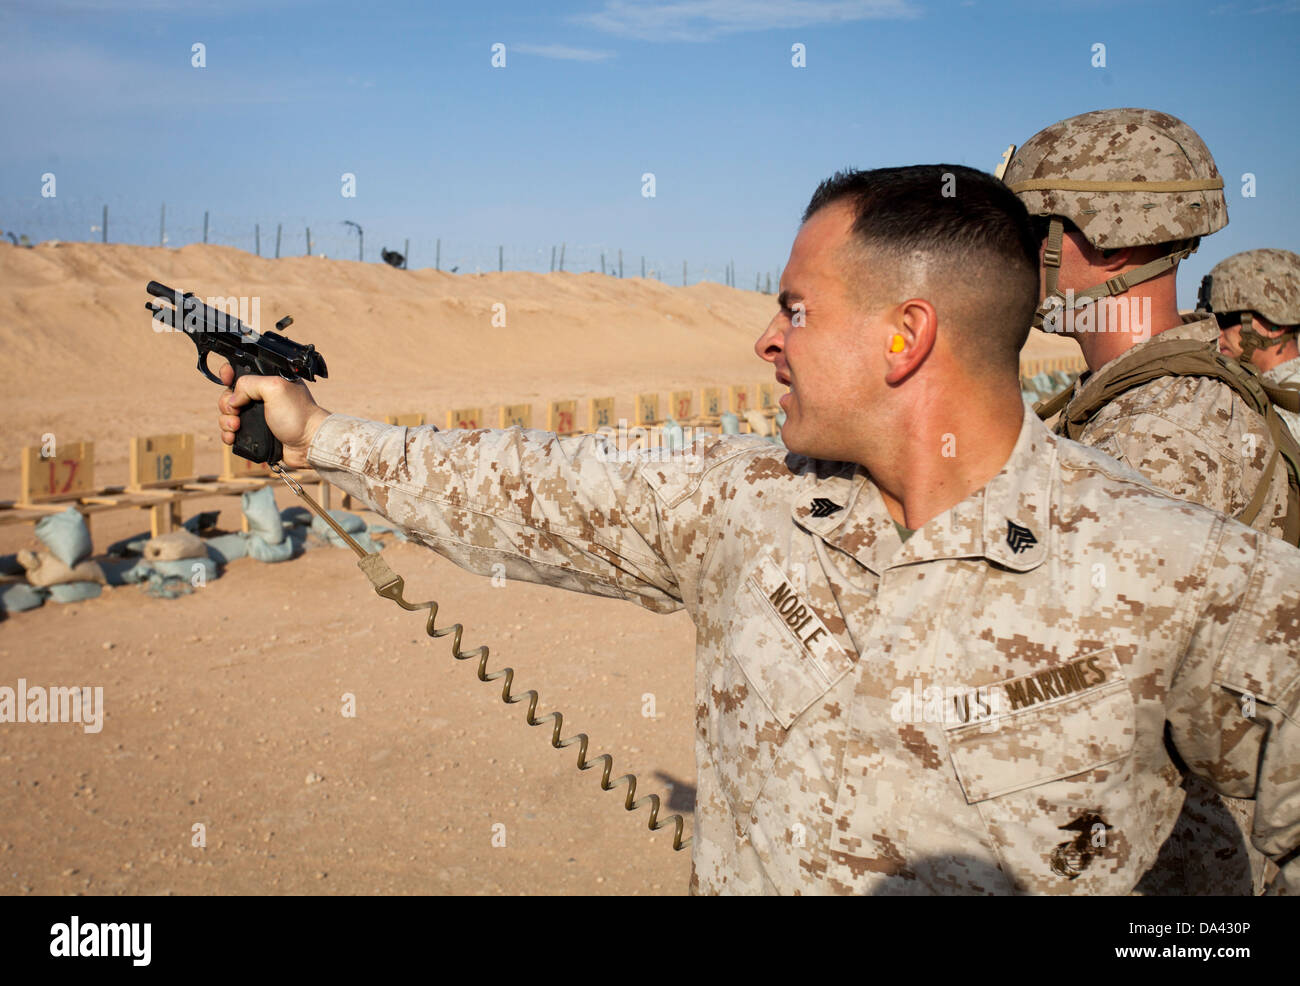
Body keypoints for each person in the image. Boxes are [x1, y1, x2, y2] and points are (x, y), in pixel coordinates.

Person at [217, 165, 1300, 895]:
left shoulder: (1180, 571)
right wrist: (320, 433)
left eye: (794, 308)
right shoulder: (745, 502)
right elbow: (529, 480)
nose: (763, 340)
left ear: (904, 335)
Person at [1002, 108, 1299, 895]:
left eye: (1034, 231)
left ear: (1111, 241)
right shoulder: (1165, 385)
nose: (1016, 257)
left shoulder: (1156, 437)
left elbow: (1066, 685)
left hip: (1175, 866)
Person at [1205, 248, 1300, 436]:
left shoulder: (1288, 408)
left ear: (1276, 326)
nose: (1216, 332)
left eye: (1225, 320)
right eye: (1210, 320)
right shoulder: (1251, 388)